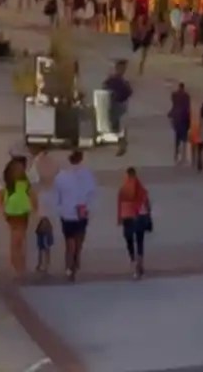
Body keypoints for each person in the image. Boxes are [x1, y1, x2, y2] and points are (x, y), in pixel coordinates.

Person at [53, 150, 97, 282]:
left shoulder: (61, 175)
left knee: (69, 241)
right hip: (82, 212)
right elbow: (92, 193)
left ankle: (69, 266)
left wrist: (59, 209)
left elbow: (57, 196)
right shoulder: (87, 174)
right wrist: (88, 207)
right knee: (79, 240)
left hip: (67, 213)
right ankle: (76, 261)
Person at [0, 158, 38, 277]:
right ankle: (19, 268)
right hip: (14, 216)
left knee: (18, 243)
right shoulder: (8, 187)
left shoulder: (23, 185)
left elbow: (34, 199)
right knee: (17, 243)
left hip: (21, 215)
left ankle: (19, 268)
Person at [116, 167, 152, 279]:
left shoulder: (123, 189)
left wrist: (120, 219)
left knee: (129, 240)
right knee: (140, 242)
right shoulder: (141, 189)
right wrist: (148, 217)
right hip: (140, 217)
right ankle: (140, 265)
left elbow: (120, 205)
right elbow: (147, 205)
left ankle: (133, 260)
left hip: (129, 217)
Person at [105, 60, 134, 156]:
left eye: (123, 68)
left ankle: (122, 145)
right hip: (115, 106)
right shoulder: (113, 80)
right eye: (121, 68)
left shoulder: (123, 81)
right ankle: (121, 144)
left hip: (120, 106)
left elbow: (129, 92)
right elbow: (105, 88)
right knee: (115, 126)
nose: (122, 70)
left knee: (119, 126)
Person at [169, 83, 192, 165]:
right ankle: (183, 155)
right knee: (184, 138)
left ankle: (176, 154)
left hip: (177, 119)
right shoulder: (186, 96)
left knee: (177, 137)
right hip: (184, 119)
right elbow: (187, 108)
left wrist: (171, 115)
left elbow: (174, 105)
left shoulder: (174, 95)